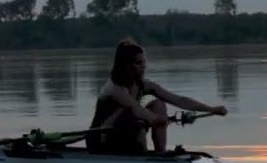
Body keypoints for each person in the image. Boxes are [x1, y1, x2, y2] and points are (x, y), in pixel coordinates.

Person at [86, 37, 227, 155]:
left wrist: (212, 109)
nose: (144, 66)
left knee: (158, 105)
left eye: (144, 61)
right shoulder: (114, 89)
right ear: (126, 65)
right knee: (136, 116)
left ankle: (160, 154)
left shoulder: (143, 85)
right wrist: (156, 119)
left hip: (124, 132)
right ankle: (145, 156)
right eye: (139, 62)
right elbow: (137, 110)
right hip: (101, 141)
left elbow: (179, 100)